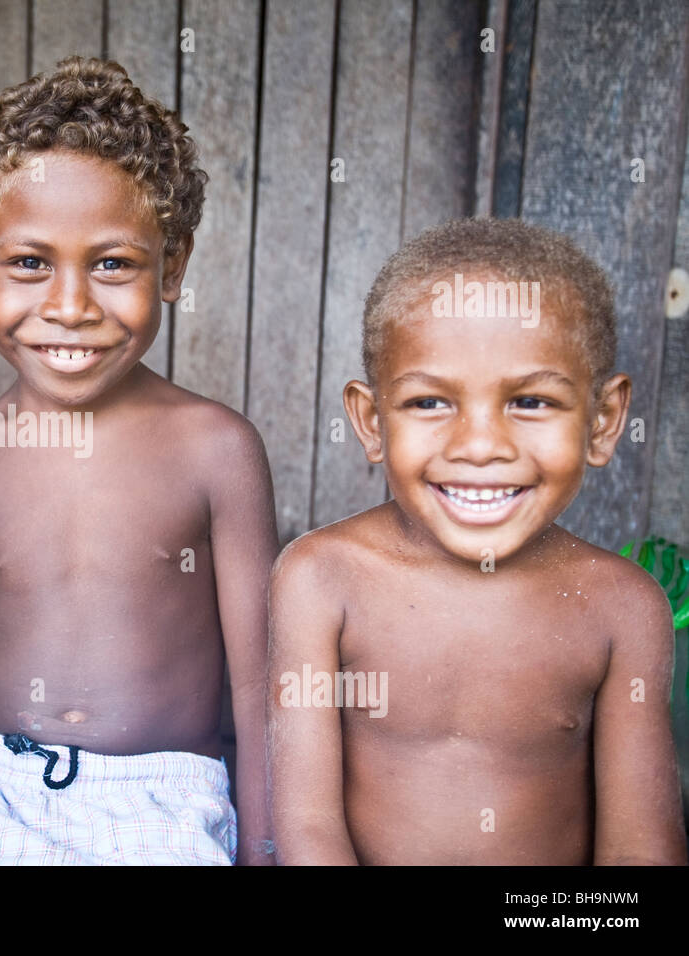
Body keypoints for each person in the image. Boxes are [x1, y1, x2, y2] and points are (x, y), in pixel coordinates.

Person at [0, 57, 280, 865]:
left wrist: (265, 851)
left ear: (175, 265)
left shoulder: (218, 452)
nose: (69, 306)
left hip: (159, 806)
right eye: (29, 263)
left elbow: (264, 693)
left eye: (113, 263)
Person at [268, 217, 686, 865]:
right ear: (371, 420)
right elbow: (307, 831)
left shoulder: (624, 607)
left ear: (603, 422)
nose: (481, 446)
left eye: (532, 402)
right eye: (430, 403)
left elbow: (640, 850)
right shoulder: (320, 579)